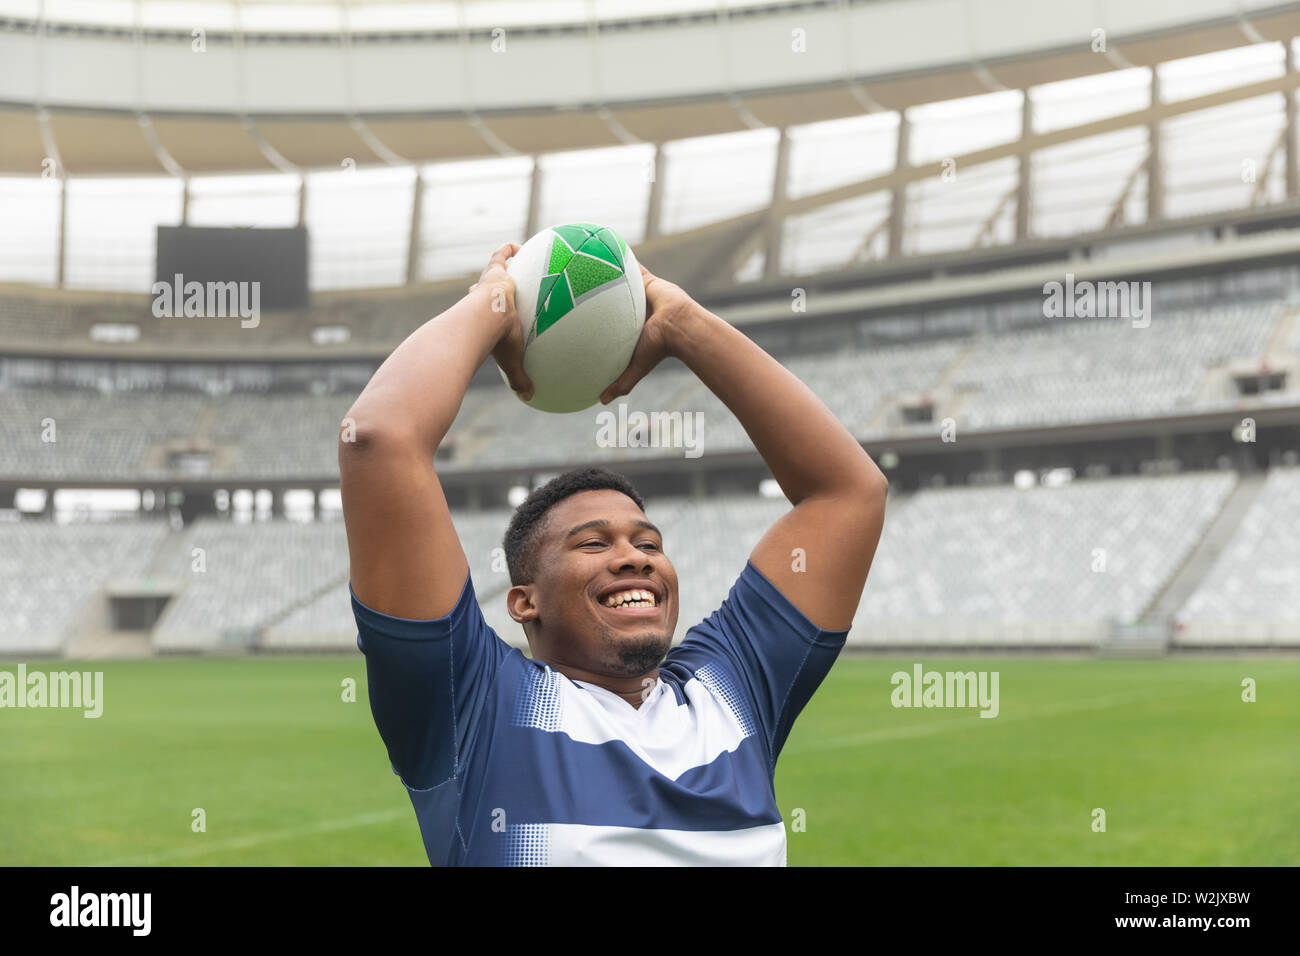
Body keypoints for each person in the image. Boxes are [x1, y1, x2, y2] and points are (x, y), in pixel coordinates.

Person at [339, 242, 888, 865]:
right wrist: (494, 302)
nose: (635, 558)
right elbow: (377, 439)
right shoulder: (474, 705)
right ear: (524, 601)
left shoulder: (729, 690)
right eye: (593, 543)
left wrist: (684, 324)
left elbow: (850, 494)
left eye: (649, 542)